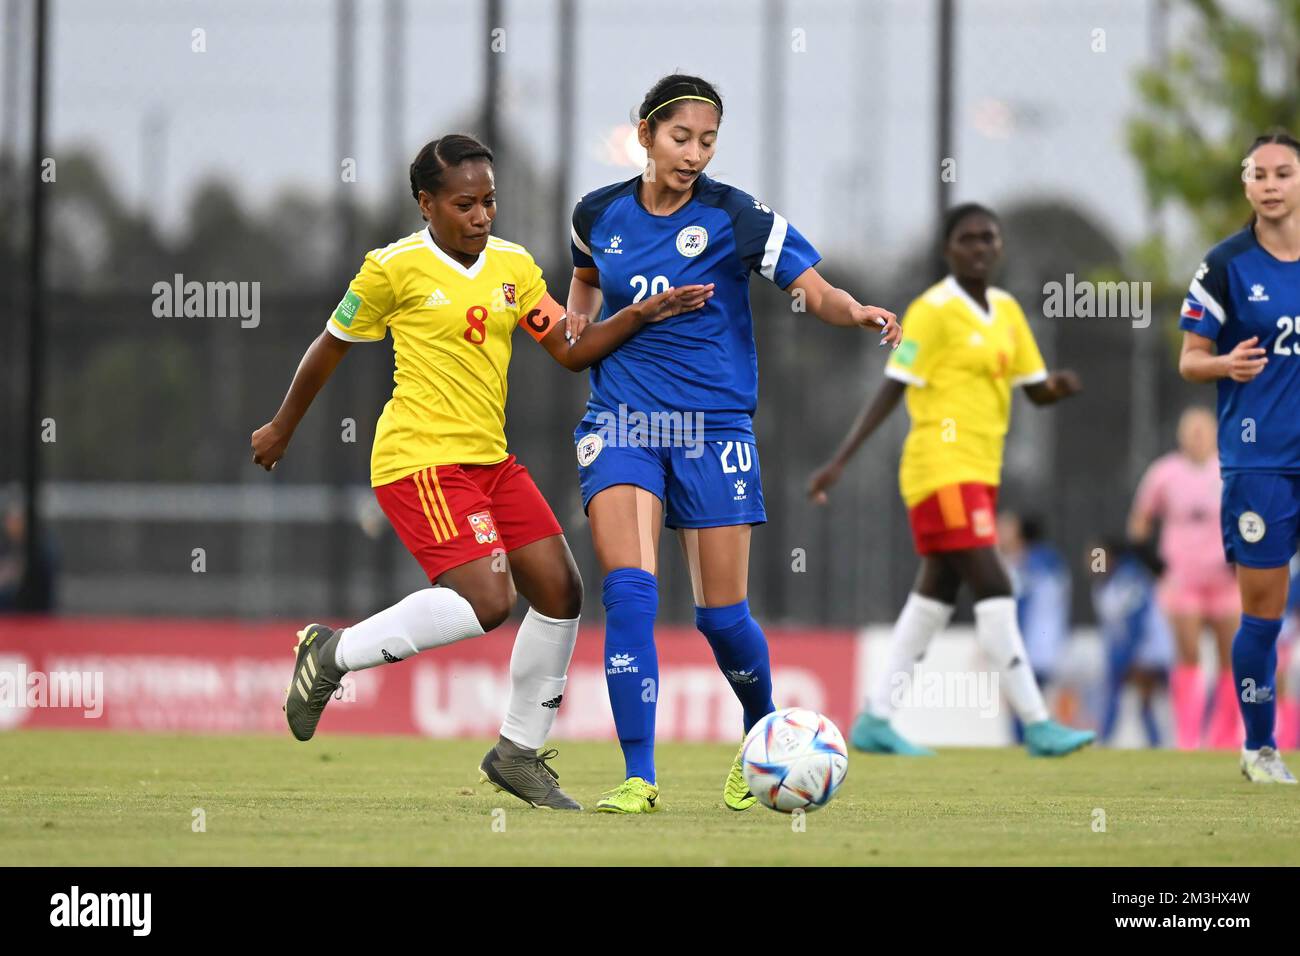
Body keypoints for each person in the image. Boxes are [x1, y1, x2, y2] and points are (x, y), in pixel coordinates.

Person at [250, 133, 712, 811]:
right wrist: (283, 425)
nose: (481, 215)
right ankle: (330, 655)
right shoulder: (391, 268)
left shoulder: (514, 267)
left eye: (489, 200)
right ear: (426, 204)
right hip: (419, 460)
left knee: (560, 590)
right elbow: (330, 346)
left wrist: (638, 315)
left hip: (489, 461)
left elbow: (569, 348)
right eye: (464, 203)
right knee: (489, 601)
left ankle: (518, 753)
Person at [566, 74, 902, 813]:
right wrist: (575, 319)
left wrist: (854, 313)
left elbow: (812, 289)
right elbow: (586, 280)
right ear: (646, 133)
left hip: (714, 429)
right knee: (629, 593)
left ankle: (763, 737)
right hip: (623, 421)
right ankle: (638, 777)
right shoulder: (597, 212)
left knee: (721, 615)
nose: (694, 153)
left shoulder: (736, 215)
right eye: (681, 137)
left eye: (708, 140)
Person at [809, 202, 1095, 758]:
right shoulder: (932, 311)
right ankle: (1036, 723)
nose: (982, 247)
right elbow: (894, 385)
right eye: (969, 239)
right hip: (940, 470)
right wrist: (842, 458)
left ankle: (874, 718)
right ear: (948, 250)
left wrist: (1058, 385)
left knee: (935, 595)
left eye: (990, 238)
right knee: (995, 582)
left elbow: (1034, 389)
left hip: (981, 472)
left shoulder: (1009, 312)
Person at [1176, 130, 1300, 783]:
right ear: (1246, 184)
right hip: (1261, 466)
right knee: (1262, 615)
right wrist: (1225, 362)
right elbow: (1189, 360)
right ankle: (1260, 748)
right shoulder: (1226, 264)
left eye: (1284, 173)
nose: (1272, 185)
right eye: (1260, 175)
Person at [1128, 406, 1241, 750]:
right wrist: (1157, 566)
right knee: (1188, 653)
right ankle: (1188, 737)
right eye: (1190, 431)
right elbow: (1139, 523)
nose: (1197, 437)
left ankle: (1224, 737)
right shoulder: (1164, 473)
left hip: (1224, 581)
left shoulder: (1230, 470)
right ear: (1180, 436)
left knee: (1232, 658)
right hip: (1183, 580)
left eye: (1203, 431)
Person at [997, 511, 1074, 740]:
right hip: (1052, 645)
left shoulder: (1023, 565)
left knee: (1021, 703)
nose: (1000, 533)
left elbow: (1018, 608)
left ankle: (1026, 746)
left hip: (1028, 645)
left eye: (1006, 528)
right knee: (1033, 701)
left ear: (1020, 533)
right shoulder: (1054, 561)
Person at [1091, 537, 1172, 748]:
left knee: (1138, 697)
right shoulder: (1106, 583)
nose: (1093, 562)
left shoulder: (1129, 579)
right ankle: (1154, 743)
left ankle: (1108, 741)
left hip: (1147, 649)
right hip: (1130, 648)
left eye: (1097, 557)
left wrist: (1131, 655)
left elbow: (1136, 619)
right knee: (1138, 701)